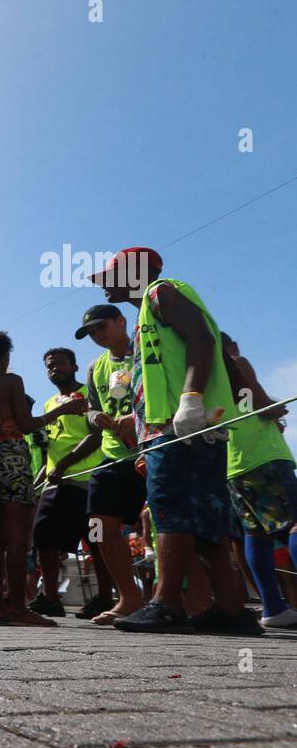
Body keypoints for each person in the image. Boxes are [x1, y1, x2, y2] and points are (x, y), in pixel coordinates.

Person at [90, 247, 261, 635]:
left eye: (110, 276)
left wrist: (191, 398)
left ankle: (166, 604)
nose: (104, 286)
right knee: (205, 518)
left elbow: (202, 338)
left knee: (170, 509)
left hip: (179, 425)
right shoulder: (147, 312)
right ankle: (232, 609)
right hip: (181, 426)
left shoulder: (161, 293)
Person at [0, 331, 84, 626]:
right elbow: (27, 425)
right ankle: (18, 607)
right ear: (3, 355)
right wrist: (65, 409)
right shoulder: (11, 381)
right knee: (17, 540)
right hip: (11, 458)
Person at [74, 302, 147, 623]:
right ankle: (129, 597)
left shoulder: (146, 352)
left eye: (101, 327)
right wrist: (96, 416)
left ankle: (182, 598)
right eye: (90, 333)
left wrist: (138, 418)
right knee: (99, 525)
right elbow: (90, 409)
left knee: (169, 525)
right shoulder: (95, 367)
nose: (97, 336)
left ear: (122, 321)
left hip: (153, 446)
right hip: (113, 454)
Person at [220, 333, 297, 628]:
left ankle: (272, 607)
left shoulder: (205, 377)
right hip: (264, 457)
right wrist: (277, 409)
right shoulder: (236, 362)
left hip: (233, 465)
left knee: (256, 534)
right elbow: (261, 404)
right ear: (231, 347)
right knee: (293, 522)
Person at [28, 347, 107, 618]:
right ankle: (50, 597)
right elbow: (52, 449)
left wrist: (65, 464)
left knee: (96, 541)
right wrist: (37, 482)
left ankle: (105, 597)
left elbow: (95, 436)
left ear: (74, 366)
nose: (54, 369)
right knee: (44, 539)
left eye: (60, 364)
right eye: (50, 365)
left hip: (86, 479)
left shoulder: (88, 394)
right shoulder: (50, 404)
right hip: (55, 483)